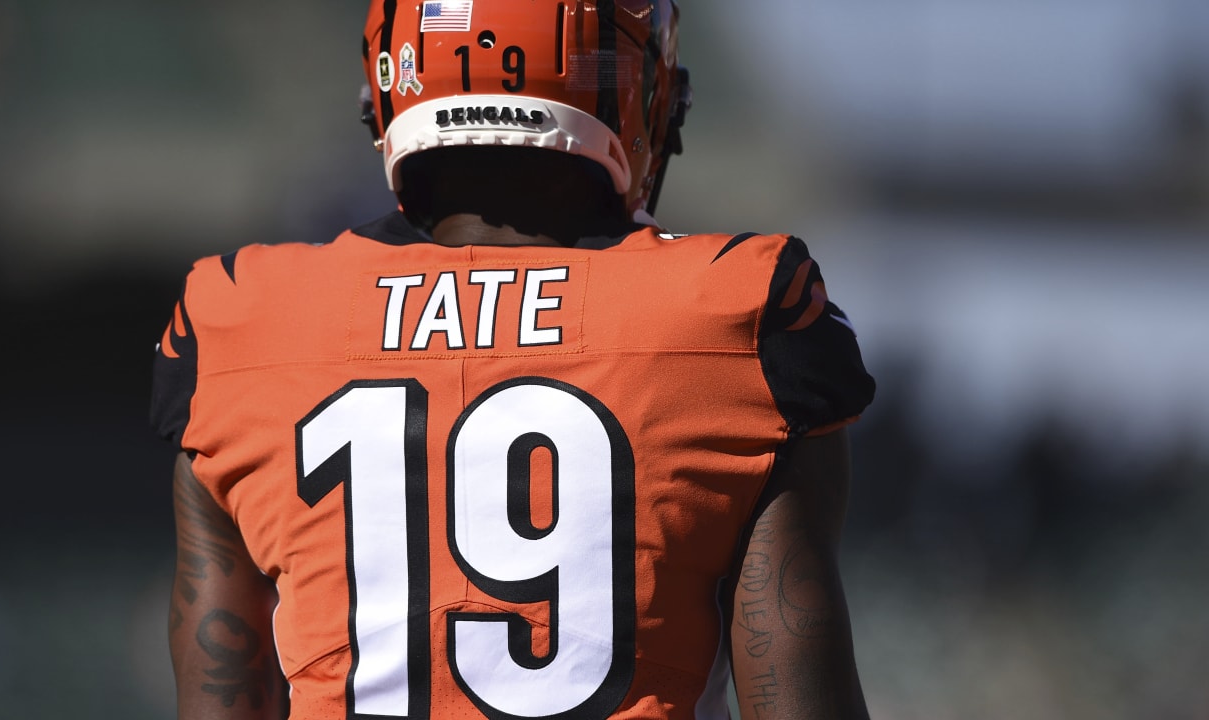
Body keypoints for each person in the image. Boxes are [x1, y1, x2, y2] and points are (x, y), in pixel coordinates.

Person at [151, 1, 876, 719]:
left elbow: (221, 695)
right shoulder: (738, 311)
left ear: (388, 87)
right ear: (629, 87)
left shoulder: (237, 322)